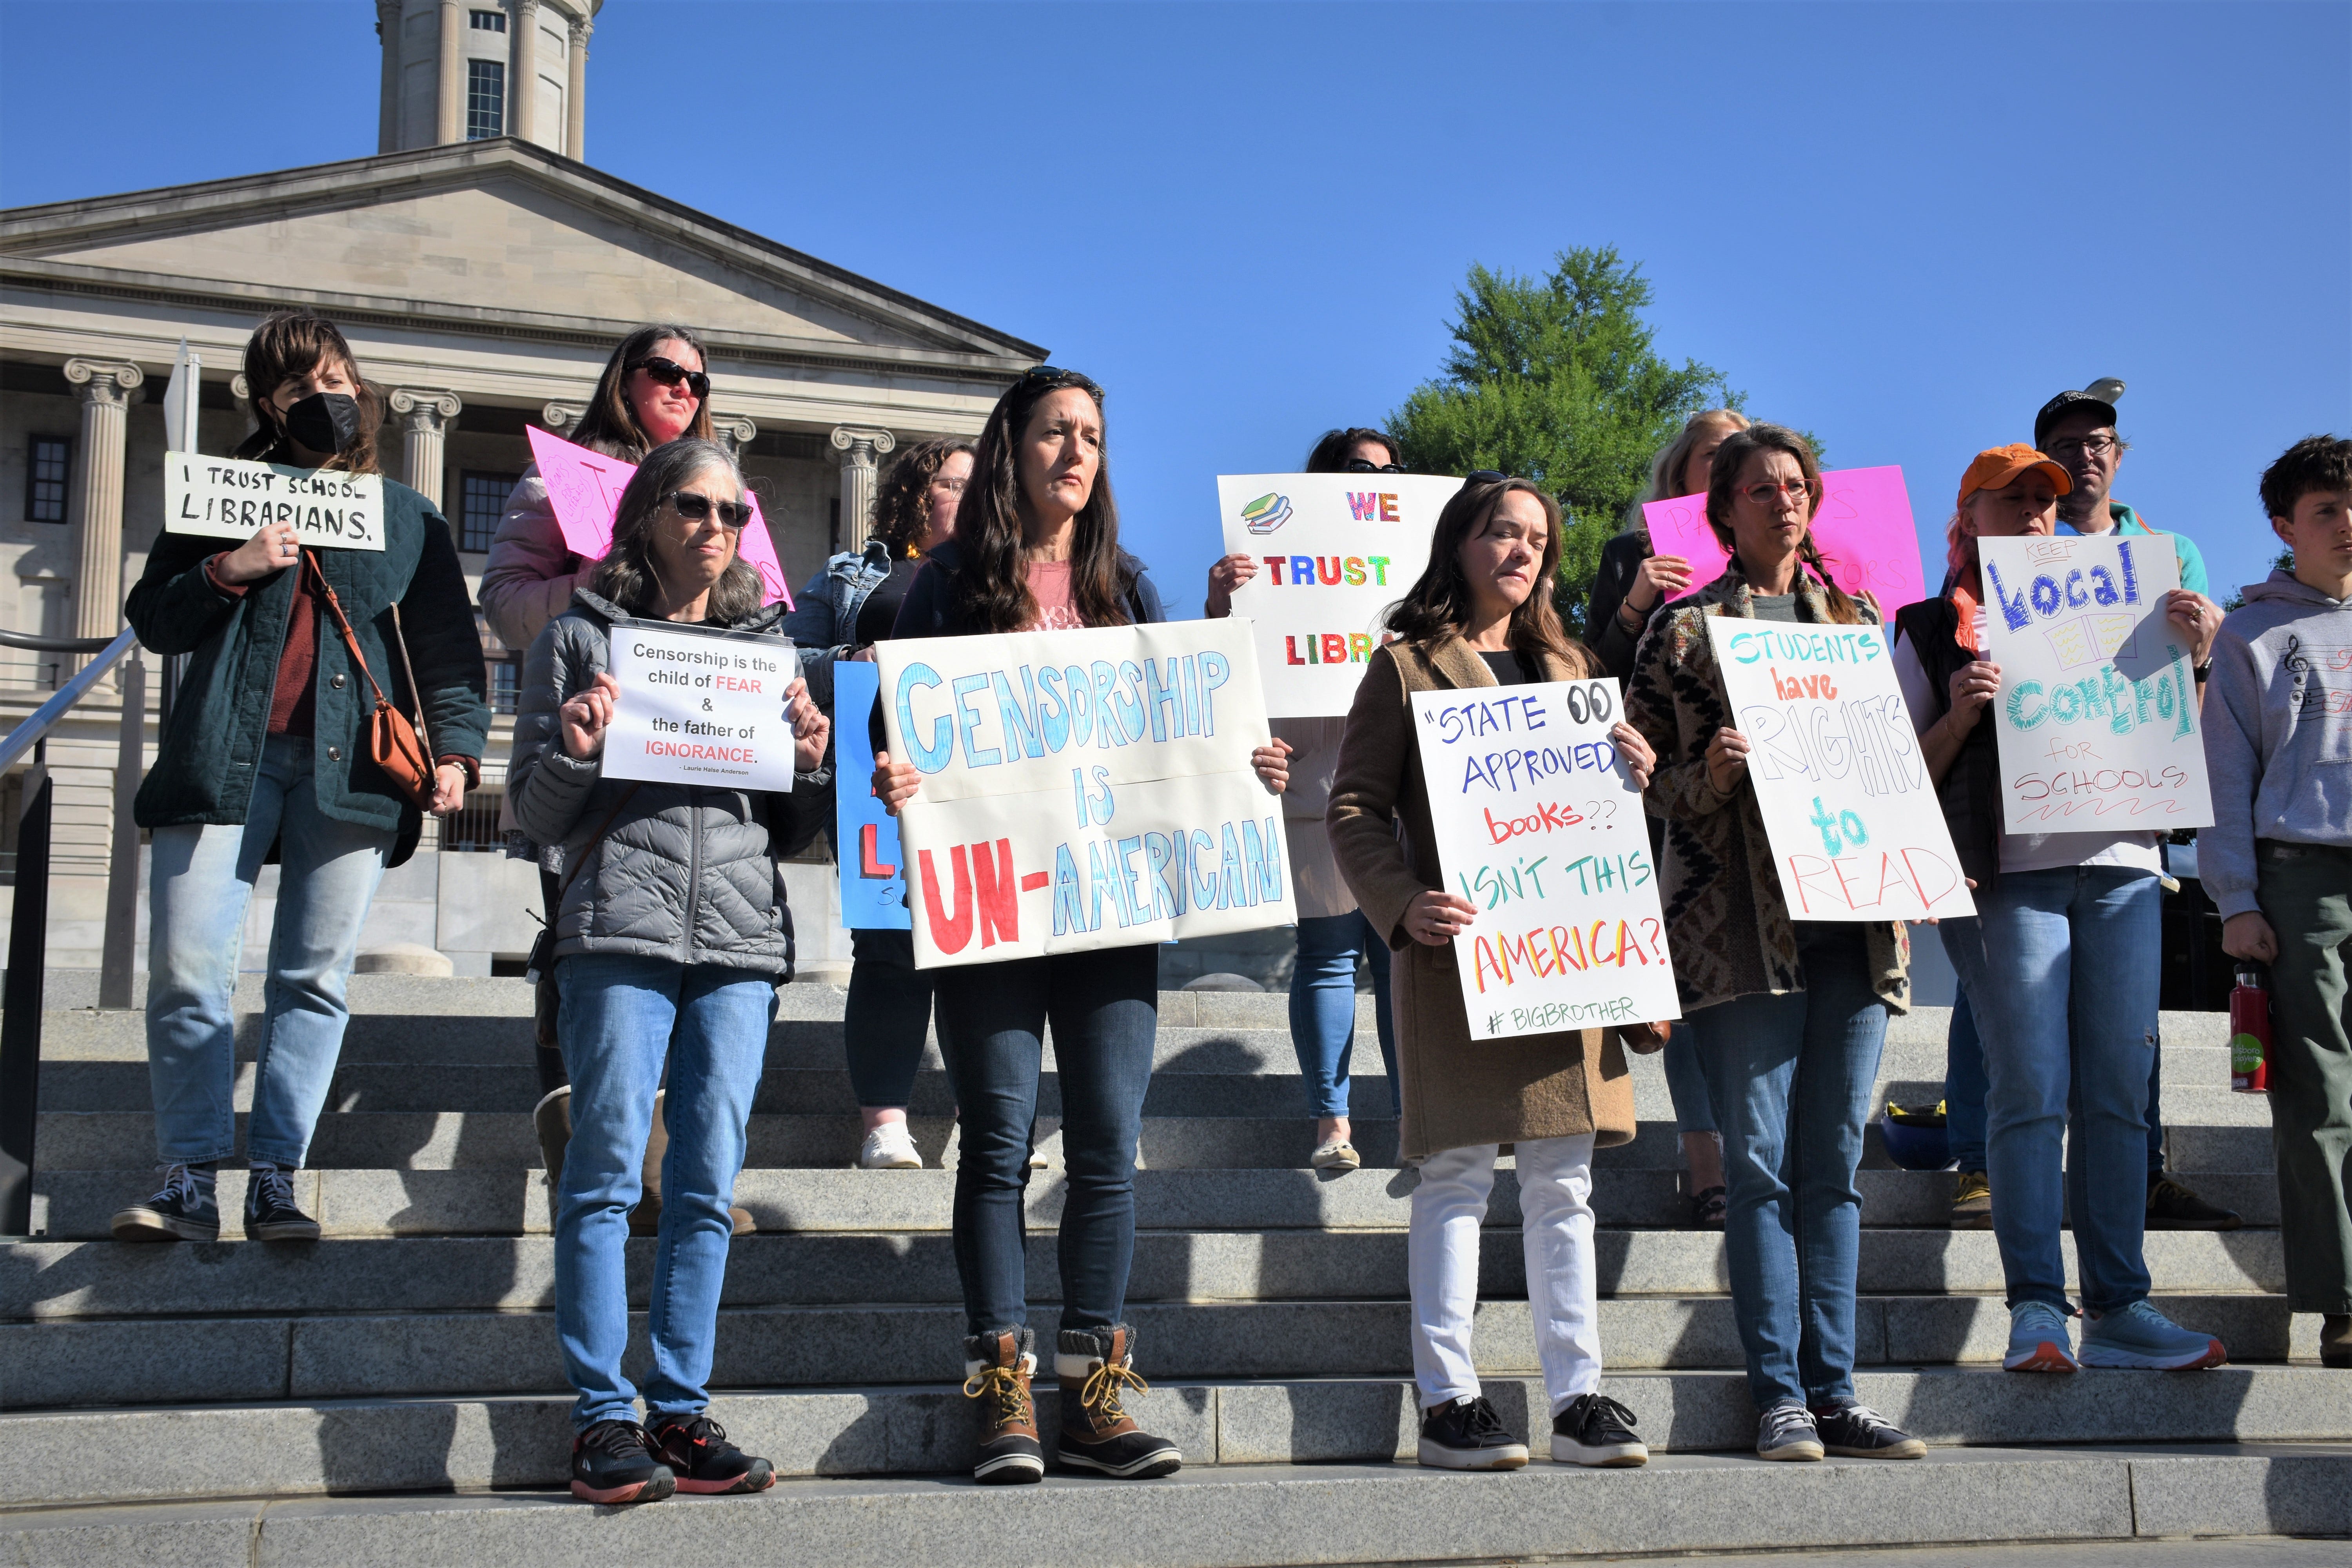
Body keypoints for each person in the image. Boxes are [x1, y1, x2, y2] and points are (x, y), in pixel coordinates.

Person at [871, 367, 1290, 1485]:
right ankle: (1001, 1386)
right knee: (998, 1141)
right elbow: (893, 720)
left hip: (1112, 907)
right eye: (1056, 431)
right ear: (1011, 447)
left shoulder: (1125, 582)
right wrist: (896, 769)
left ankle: (1094, 1393)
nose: (1076, 452)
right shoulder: (949, 580)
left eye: (1093, 436)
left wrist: (1244, 760)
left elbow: (1180, 729)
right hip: (996, 906)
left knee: (1107, 1145)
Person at [112, 311, 488, 1246]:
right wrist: (229, 569)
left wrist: (456, 751)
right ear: (270, 406)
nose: (323, 397)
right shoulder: (221, 492)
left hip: (352, 767)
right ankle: (189, 1175)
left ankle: (277, 1175)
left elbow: (447, 648)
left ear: (360, 386)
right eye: (297, 387)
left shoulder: (408, 515)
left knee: (314, 978)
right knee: (189, 966)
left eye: (334, 379)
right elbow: (154, 617)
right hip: (221, 757)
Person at [507, 437, 831, 1504]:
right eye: (694, 506)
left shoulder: (770, 652)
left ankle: (681, 1412)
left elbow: (792, 831)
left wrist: (811, 764)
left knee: (705, 1183)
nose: (717, 528)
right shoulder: (576, 640)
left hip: (739, 943)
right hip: (617, 929)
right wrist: (577, 747)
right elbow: (533, 813)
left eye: (734, 512)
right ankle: (603, 1417)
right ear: (645, 514)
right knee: (605, 1171)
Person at [1327, 473, 1662, 1471]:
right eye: (1501, 532)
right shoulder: (1403, 667)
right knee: (1457, 1174)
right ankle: (1451, 1400)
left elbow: (1603, 824)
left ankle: (1579, 1398)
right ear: (1459, 544)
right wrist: (1400, 901)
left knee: (1566, 1182)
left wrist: (1634, 775)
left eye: (1536, 539)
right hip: (1459, 957)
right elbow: (1353, 809)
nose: (1521, 551)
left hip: (1569, 958)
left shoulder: (1577, 667)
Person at [1893, 443, 2229, 1376]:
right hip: (2009, 879)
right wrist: (1960, 714)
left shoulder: (2136, 607)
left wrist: (2198, 660)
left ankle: (2120, 1306)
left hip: (2124, 867)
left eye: (2045, 498)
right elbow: (1899, 778)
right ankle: (2038, 1304)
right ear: (1968, 520)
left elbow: (2191, 749)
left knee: (2120, 1088)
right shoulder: (1928, 626)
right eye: (2011, 499)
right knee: (2032, 1086)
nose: (2036, 512)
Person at [1625, 424, 1925, 1463]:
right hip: (1738, 930)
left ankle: (1837, 1391)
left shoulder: (1859, 621)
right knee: (1757, 1170)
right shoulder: (1679, 631)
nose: (1785, 501)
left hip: (1855, 922)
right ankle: (1780, 1395)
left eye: (1797, 486)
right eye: (1762, 488)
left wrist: (1923, 858)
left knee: (1833, 1166)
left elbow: (1889, 767)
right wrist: (1707, 775)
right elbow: (1641, 786)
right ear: (1724, 509)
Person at [2034, 381, 2238, 1230]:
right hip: (2033, 822)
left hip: (2129, 824)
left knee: (2128, 1030)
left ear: (2119, 456)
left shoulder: (2170, 552)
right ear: (2045, 461)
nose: (2085, 455)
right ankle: (1983, 1165)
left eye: (2100, 442)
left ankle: (2142, 1175)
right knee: (2004, 1012)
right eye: (2068, 443)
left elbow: (2193, 692)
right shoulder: (2018, 545)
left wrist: (2205, 652)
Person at [1205, 425, 1402, 1170]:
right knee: (1329, 956)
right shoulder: (1266, 565)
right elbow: (1218, 669)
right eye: (1358, 469)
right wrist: (1220, 602)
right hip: (1311, 780)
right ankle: (1333, 1125)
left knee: (1402, 968)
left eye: (1389, 472)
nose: (1374, 479)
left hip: (1405, 790)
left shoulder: (1417, 562)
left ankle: (1415, 1122)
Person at [783, 437, 975, 1170]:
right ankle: (886, 1124)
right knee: (890, 947)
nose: (973, 497)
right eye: (956, 484)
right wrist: (848, 661)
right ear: (916, 495)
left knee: (983, 951)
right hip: (875, 782)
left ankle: (986, 1118)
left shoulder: (1008, 575)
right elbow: (786, 660)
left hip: (977, 784)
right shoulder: (853, 575)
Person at [2203, 434, 2352, 1370]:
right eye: (2327, 509)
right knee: (2321, 1096)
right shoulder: (2250, 634)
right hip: (2300, 876)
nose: (2348, 523)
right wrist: (2236, 899)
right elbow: (2224, 778)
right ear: (2284, 526)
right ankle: (2343, 1302)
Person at [1585, 409, 1750, 1225]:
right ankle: (1706, 1162)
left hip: (1760, 806)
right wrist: (1638, 599)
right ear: (1682, 470)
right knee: (1685, 985)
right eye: (1716, 454)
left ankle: (1757, 1154)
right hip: (1665, 795)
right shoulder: (1632, 555)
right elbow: (1589, 675)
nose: (1731, 465)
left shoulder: (1790, 564)